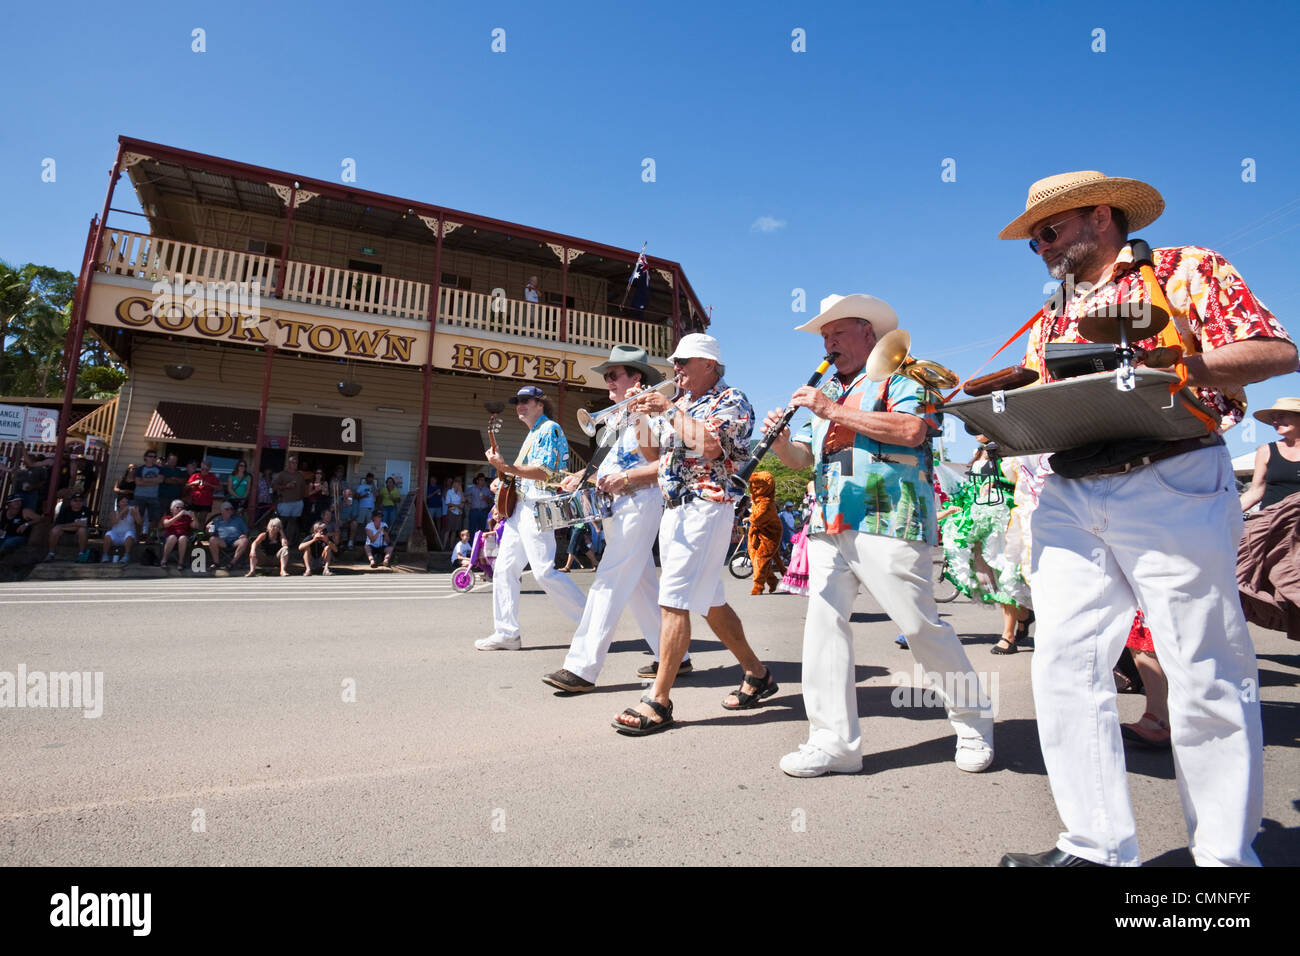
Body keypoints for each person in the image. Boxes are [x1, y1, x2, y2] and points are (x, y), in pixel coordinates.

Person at [994, 171, 1296, 868]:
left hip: (1173, 474)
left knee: (1202, 665)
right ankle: (1096, 846)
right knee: (1064, 664)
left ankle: (1224, 858)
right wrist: (1005, 421)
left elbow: (1277, 351)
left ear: (1101, 216)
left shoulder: (1186, 268)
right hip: (1071, 491)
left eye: (1048, 230)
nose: (1038, 246)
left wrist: (1178, 363)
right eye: (1033, 238)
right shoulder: (1055, 312)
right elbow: (1050, 394)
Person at [762, 294, 995, 776]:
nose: (828, 344)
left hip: (888, 513)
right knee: (824, 629)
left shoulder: (904, 375)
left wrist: (831, 409)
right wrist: (785, 444)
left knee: (918, 626)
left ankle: (974, 720)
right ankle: (832, 742)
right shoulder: (831, 387)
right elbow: (806, 460)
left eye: (837, 334)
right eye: (824, 337)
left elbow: (911, 429)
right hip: (830, 518)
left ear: (868, 333)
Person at [612, 333, 773, 734]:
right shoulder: (679, 404)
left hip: (708, 505)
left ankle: (658, 700)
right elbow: (655, 457)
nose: (675, 368)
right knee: (710, 601)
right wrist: (639, 418)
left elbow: (712, 446)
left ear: (708, 364)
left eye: (683, 362)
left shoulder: (731, 400)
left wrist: (666, 407)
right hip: (675, 508)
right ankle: (757, 673)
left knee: (674, 599)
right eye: (675, 362)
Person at [542, 346, 683, 692]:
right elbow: (612, 466)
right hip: (615, 504)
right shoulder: (614, 418)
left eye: (613, 375)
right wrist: (583, 478)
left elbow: (655, 459)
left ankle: (581, 667)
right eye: (607, 376)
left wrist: (639, 415)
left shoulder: (648, 415)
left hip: (639, 501)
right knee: (640, 584)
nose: (607, 382)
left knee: (608, 579)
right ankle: (675, 656)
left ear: (636, 378)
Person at [477, 385, 587, 650]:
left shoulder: (549, 429)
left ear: (540, 403)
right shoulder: (534, 433)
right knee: (504, 570)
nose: (520, 405)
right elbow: (521, 474)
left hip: (538, 505)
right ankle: (506, 633)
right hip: (522, 508)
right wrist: (501, 480)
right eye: (517, 401)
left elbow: (546, 472)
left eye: (525, 400)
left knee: (543, 571)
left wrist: (505, 468)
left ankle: (592, 621)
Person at [937, 438, 1033, 653]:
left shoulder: (1010, 448)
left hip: (1004, 516)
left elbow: (1025, 479)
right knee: (985, 574)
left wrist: (999, 483)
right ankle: (1024, 615)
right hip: (980, 517)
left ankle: (1008, 635)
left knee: (1004, 569)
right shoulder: (979, 452)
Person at [1237, 398, 1300, 641]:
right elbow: (1255, 492)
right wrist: (1223, 515)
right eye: (1274, 416)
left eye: (1283, 415)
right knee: (1250, 577)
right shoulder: (1267, 450)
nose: (1276, 421)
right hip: (1272, 531)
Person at [746, 471, 785, 594]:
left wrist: (750, 518)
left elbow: (758, 518)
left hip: (771, 533)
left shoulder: (766, 502)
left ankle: (758, 585)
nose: (754, 488)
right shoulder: (757, 500)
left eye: (758, 487)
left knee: (761, 558)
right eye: (753, 485)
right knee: (754, 558)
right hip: (756, 531)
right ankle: (772, 580)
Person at [45, 491, 92, 562]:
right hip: (65, 530)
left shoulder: (86, 510)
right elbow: (58, 524)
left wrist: (64, 526)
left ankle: (81, 554)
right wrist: (75, 523)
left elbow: (84, 524)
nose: (78, 502)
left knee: (82, 530)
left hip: (77, 531)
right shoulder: (65, 510)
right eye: (75, 500)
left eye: (80, 500)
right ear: (71, 502)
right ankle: (51, 553)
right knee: (55, 530)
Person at [206, 501, 250, 570]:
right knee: (212, 539)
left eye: (231, 509)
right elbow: (210, 533)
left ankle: (232, 563)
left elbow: (246, 532)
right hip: (222, 541)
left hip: (236, 541)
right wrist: (209, 527)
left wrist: (244, 535)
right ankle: (216, 563)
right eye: (227, 509)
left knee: (245, 540)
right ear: (222, 511)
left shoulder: (238, 519)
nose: (230, 511)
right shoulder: (216, 521)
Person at [273, 455, 306, 544]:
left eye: (296, 463)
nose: (294, 464)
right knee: (282, 522)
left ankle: (289, 542)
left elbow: (303, 489)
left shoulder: (300, 475)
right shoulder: (282, 474)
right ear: (288, 463)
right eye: (292, 462)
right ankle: (278, 541)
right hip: (285, 502)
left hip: (297, 502)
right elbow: (274, 487)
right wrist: (286, 486)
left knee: (293, 522)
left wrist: (301, 499)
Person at [101, 495, 140, 563]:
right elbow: (114, 522)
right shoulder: (114, 512)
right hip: (116, 536)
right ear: (118, 503)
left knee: (129, 534)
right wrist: (121, 513)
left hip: (127, 537)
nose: (125, 504)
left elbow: (139, 522)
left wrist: (136, 514)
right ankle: (105, 555)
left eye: (126, 502)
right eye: (123, 502)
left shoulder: (132, 512)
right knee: (108, 534)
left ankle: (126, 555)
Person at [159, 499, 195, 569]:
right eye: (177, 507)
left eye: (181, 508)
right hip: (170, 537)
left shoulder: (187, 518)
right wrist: (178, 516)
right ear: (171, 509)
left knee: (182, 538)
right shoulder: (167, 517)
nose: (180, 509)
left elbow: (195, 526)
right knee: (173, 537)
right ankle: (164, 559)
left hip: (183, 537)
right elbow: (166, 524)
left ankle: (180, 562)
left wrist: (194, 517)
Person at [186, 460, 220, 525]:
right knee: (194, 520)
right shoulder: (195, 475)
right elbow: (187, 486)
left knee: (202, 520)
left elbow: (219, 488)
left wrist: (209, 485)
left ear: (209, 468)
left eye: (206, 469)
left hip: (206, 502)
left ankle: (200, 534)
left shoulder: (212, 477)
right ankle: (195, 534)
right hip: (194, 501)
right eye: (203, 468)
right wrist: (194, 483)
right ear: (201, 467)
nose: (204, 470)